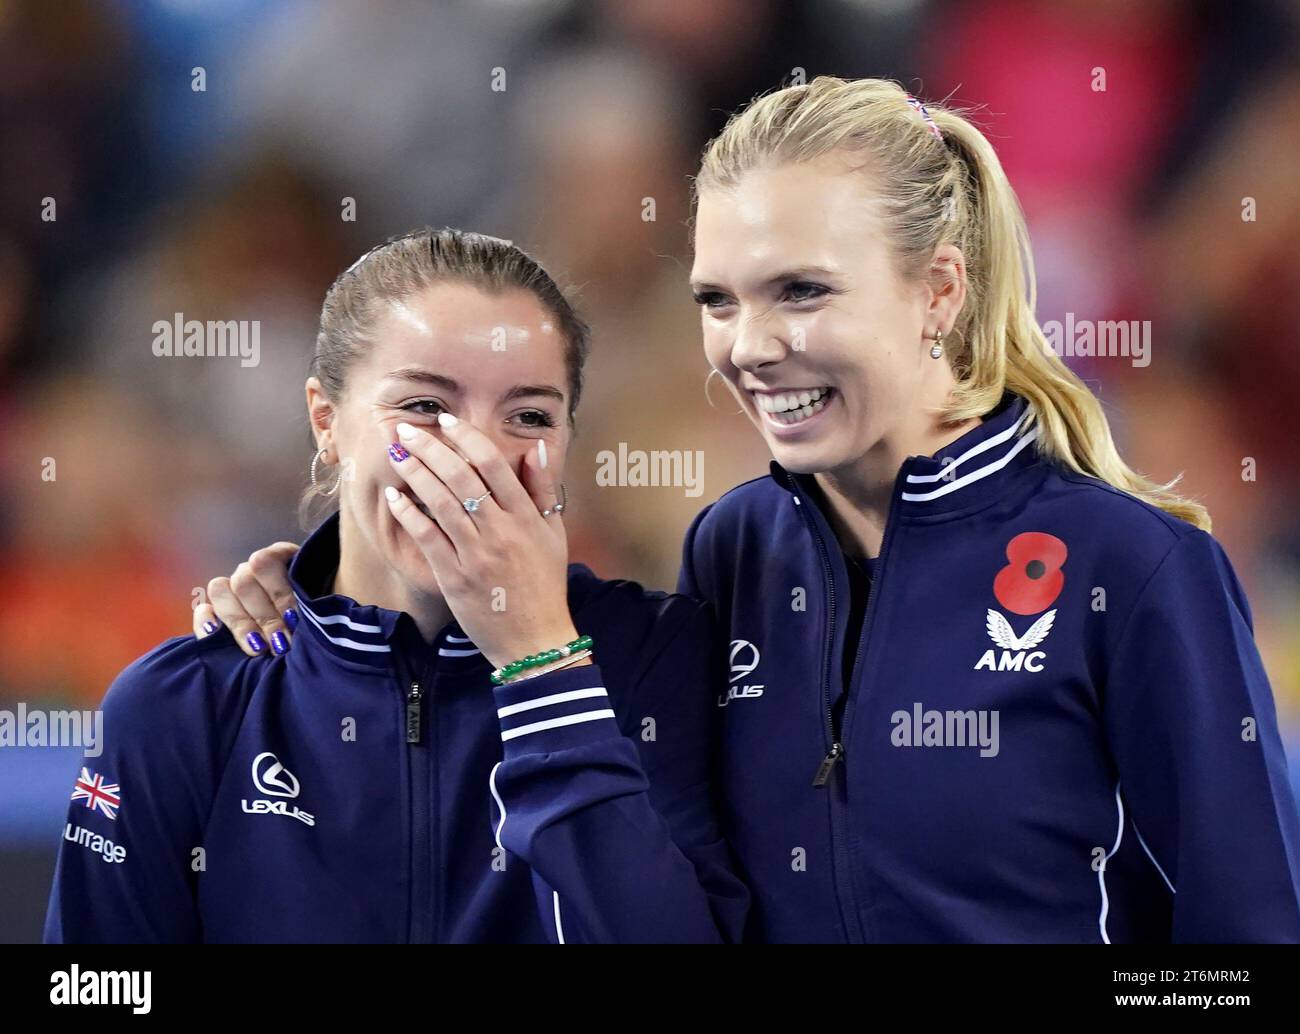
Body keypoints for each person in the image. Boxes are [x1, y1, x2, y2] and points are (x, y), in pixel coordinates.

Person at [191, 78, 1300, 943]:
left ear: (939, 292)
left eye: (802, 291)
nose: (750, 347)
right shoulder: (736, 546)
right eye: (717, 299)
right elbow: (554, 661)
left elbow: (1248, 936)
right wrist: (328, 591)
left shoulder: (1130, 563)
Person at [44, 228, 748, 944]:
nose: (474, 458)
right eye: (422, 406)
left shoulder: (661, 660)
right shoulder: (186, 702)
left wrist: (540, 663)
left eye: (529, 416)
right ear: (327, 422)